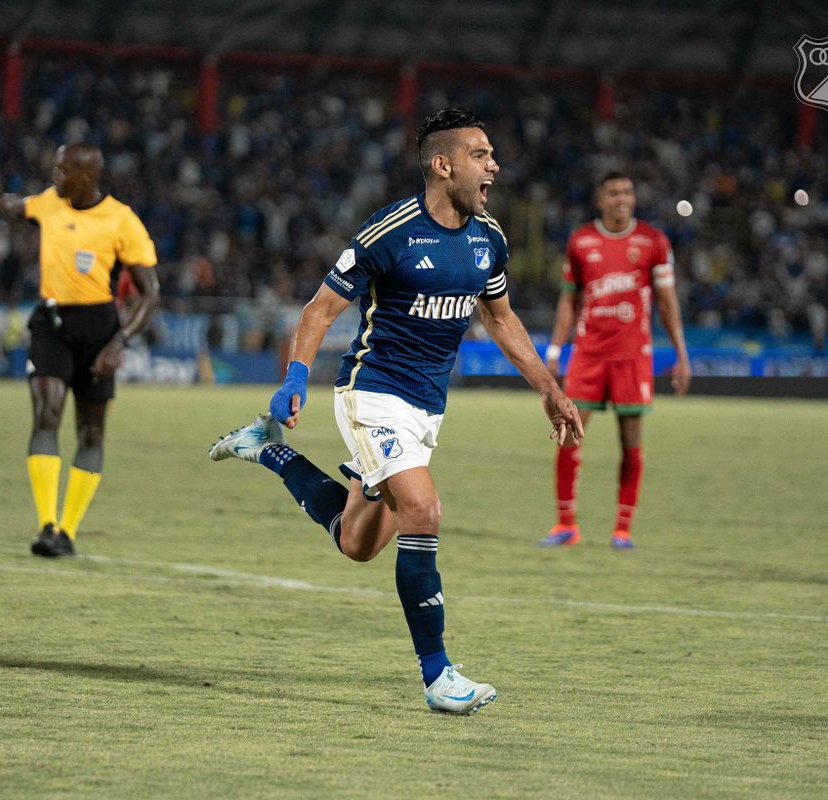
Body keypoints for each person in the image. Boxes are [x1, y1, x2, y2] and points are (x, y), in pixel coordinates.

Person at [209, 108, 583, 715]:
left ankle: (266, 450)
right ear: (443, 165)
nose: (494, 166)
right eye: (480, 155)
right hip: (373, 393)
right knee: (424, 511)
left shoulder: (489, 238)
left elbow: (501, 318)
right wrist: (295, 376)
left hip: (427, 410)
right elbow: (319, 311)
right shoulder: (389, 232)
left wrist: (548, 388)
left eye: (492, 155)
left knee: (356, 543)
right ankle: (439, 677)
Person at [0, 143, 160, 557]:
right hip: (52, 323)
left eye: (63, 170)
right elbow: (16, 207)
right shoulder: (49, 202)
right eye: (56, 168)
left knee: (91, 433)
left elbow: (150, 294)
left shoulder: (121, 220)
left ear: (88, 176)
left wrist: (119, 342)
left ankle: (67, 531)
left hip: (100, 329)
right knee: (46, 414)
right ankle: (46, 525)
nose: (55, 176)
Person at [538, 171, 691, 549]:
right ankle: (566, 525)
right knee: (569, 434)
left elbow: (667, 302)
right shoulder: (581, 241)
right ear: (600, 200)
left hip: (631, 357)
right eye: (614, 193)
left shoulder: (653, 242)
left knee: (631, 441)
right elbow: (569, 300)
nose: (622, 198)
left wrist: (681, 355)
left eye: (627, 192)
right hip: (588, 354)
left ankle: (622, 529)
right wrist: (555, 350)